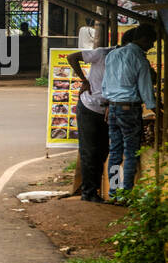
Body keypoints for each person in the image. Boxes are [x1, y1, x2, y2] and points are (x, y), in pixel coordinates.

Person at [101, 24, 159, 201]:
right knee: (131, 152)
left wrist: (108, 105)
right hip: (129, 109)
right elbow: (147, 92)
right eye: (151, 43)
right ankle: (126, 194)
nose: (151, 47)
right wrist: (159, 111)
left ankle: (115, 192)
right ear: (144, 39)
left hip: (113, 107)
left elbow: (105, 85)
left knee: (115, 151)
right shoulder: (140, 60)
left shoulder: (112, 55)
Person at [67, 44, 113, 202]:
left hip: (105, 109)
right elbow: (72, 57)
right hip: (89, 106)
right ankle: (88, 193)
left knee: (102, 150)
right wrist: (84, 80)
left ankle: (95, 190)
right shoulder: (102, 53)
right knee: (89, 151)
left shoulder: (120, 58)